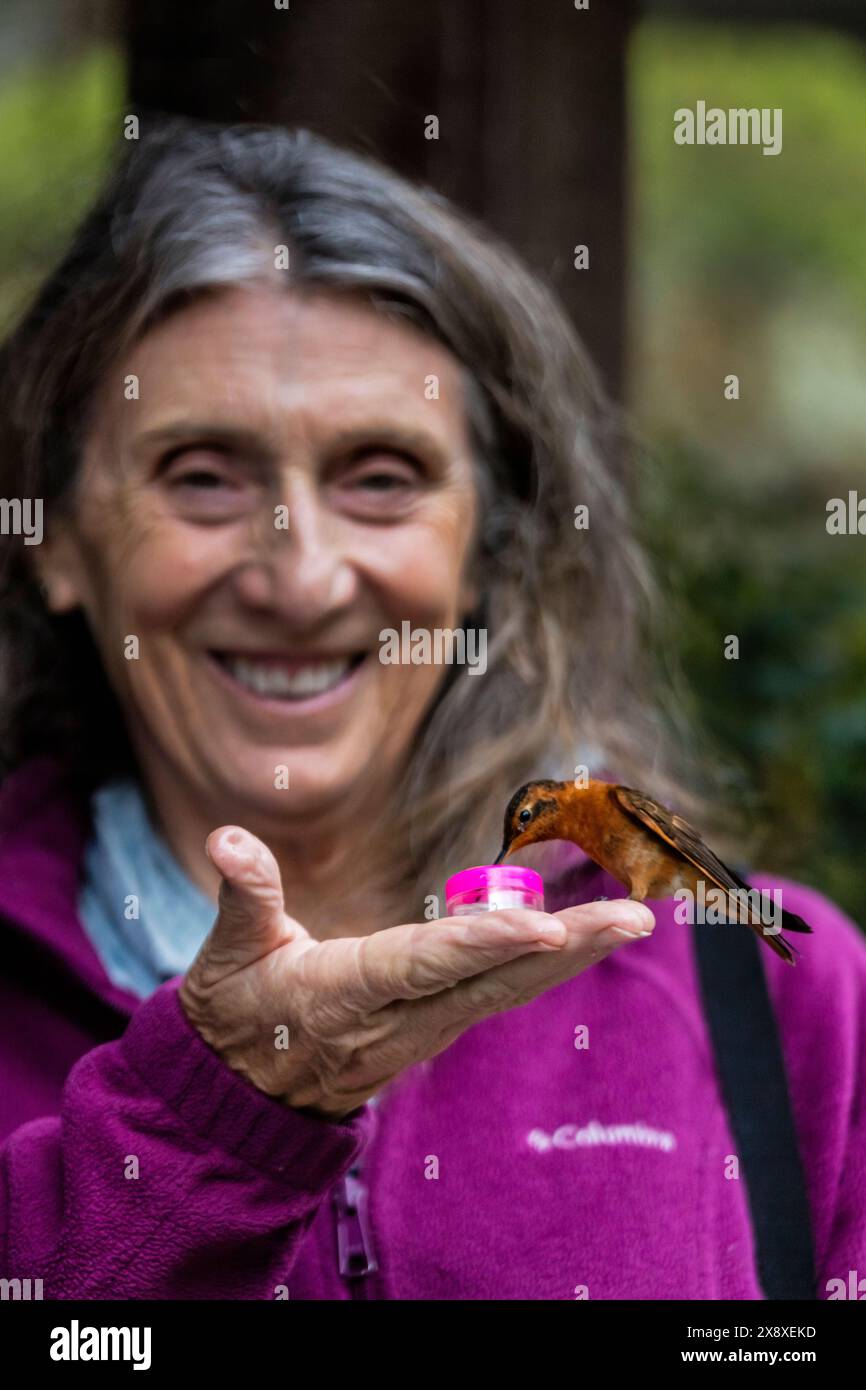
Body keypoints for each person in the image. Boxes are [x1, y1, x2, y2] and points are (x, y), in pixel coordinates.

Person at [0, 118, 863, 1301]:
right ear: (55, 541)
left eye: (381, 478)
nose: (299, 578)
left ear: (487, 548)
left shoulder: (779, 1002)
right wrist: (219, 1111)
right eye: (200, 474)